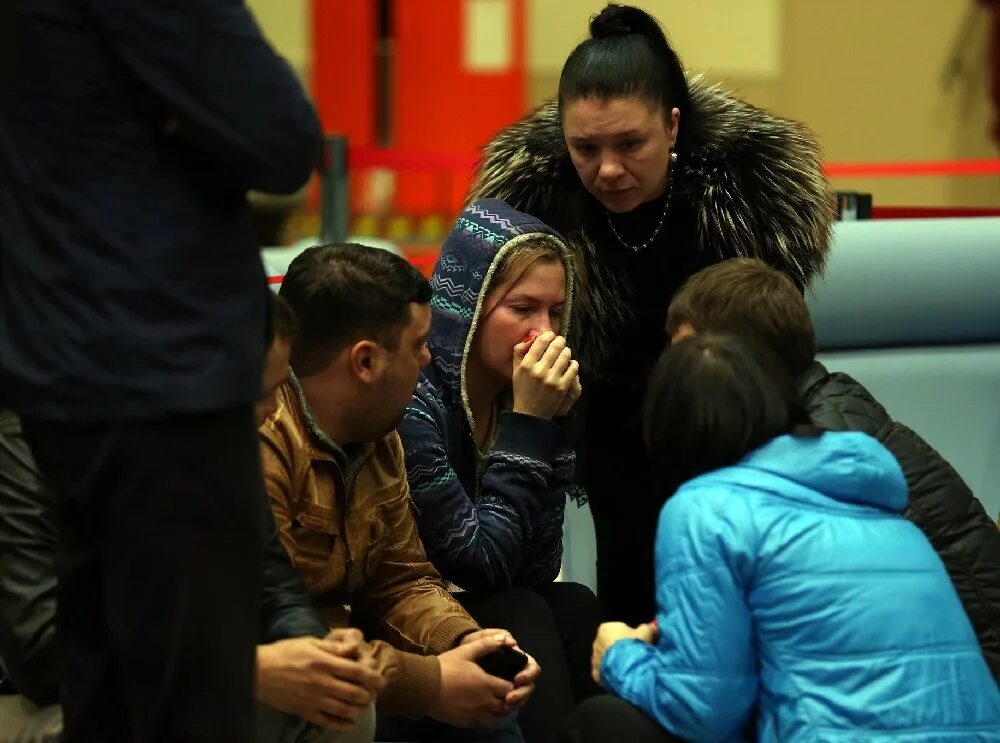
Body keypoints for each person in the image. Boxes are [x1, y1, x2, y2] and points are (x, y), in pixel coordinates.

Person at [0, 2, 321, 740]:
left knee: (113, 694)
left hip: (67, 352)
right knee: (188, 706)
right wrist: (201, 134)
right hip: (158, 363)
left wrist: (185, 126)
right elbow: (279, 133)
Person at [468, 3, 835, 624]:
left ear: (672, 126)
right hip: (608, 440)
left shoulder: (746, 202)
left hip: (731, 431)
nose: (608, 170)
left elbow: (770, 347)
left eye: (630, 144)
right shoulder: (533, 208)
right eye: (585, 147)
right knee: (630, 610)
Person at [569, 334, 1000, 742]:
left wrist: (619, 657)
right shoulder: (882, 505)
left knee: (601, 720)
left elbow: (704, 709)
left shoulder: (704, 508)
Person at [0, 293, 382, 743]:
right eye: (254, 396)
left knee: (340, 709)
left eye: (277, 390)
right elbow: (41, 656)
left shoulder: (214, 450)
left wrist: (319, 651)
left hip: (173, 676)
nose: (268, 414)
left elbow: (273, 586)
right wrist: (244, 670)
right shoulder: (29, 439)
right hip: (34, 700)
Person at [664, 257, 1000, 682]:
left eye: (691, 358)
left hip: (969, 673)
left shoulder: (816, 452)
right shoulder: (825, 412)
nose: (676, 381)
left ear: (747, 362)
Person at [263, 244, 541, 743]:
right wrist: (432, 683)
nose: (429, 358)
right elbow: (279, 638)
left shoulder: (379, 433)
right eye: (417, 345)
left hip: (357, 665)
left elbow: (401, 579)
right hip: (291, 684)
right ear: (365, 361)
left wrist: (465, 640)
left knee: (496, 687)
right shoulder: (266, 444)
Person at [398, 199, 604, 743]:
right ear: (467, 310)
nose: (545, 334)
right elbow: (480, 566)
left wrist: (551, 428)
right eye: (523, 309)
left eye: (556, 312)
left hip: (491, 596)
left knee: (573, 603)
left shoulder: (516, 397)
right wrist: (531, 426)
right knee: (519, 612)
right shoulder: (416, 404)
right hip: (411, 620)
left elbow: (536, 565)